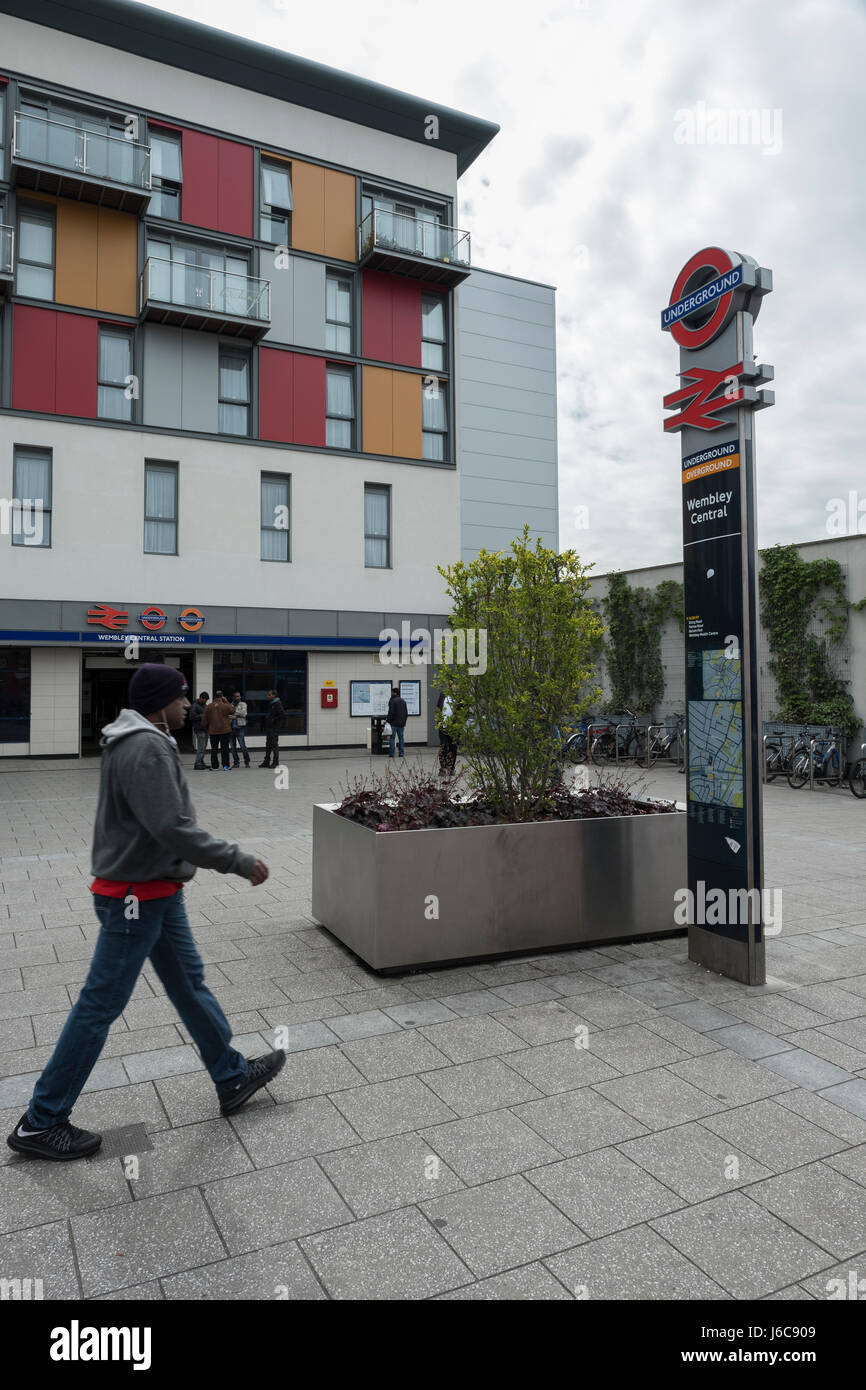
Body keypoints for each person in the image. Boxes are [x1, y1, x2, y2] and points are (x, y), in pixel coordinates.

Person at [6, 663, 284, 1162]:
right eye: (179, 698)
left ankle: (231, 1075)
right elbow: (170, 828)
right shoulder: (147, 745)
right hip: (135, 896)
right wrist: (237, 860)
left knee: (188, 985)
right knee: (99, 1005)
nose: (186, 706)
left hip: (155, 889)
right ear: (158, 703)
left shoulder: (134, 739)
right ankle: (41, 1120)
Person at [203, 690, 233, 771]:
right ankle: (226, 766)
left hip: (213, 731)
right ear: (222, 696)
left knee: (214, 749)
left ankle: (214, 766)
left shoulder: (209, 706)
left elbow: (204, 718)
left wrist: (206, 728)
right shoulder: (225, 705)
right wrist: (227, 701)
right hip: (225, 730)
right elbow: (233, 711)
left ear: (214, 697)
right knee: (225, 749)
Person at [260, 689, 285, 768]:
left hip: (274, 728)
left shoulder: (277, 704)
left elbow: (282, 715)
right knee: (268, 745)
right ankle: (266, 761)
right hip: (270, 728)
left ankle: (275, 762)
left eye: (269, 695)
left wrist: (273, 721)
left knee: (274, 745)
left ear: (274, 695)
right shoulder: (271, 704)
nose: (268, 696)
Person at [437, 690, 458, 775]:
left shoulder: (459, 696)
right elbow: (438, 708)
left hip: (454, 727)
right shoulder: (443, 694)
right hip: (443, 726)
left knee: (453, 748)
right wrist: (438, 721)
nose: (453, 686)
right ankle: (443, 767)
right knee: (443, 747)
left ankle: (451, 767)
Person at [230, 691, 250, 768]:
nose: (237, 698)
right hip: (231, 728)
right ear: (233, 697)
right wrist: (237, 714)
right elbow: (228, 715)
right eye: (236, 696)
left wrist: (233, 713)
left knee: (242, 746)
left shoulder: (243, 704)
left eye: (239, 696)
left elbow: (244, 714)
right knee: (232, 747)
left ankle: (247, 761)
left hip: (240, 728)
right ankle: (236, 762)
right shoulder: (230, 705)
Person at [387, 686, 408, 758]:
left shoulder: (392, 701)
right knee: (401, 738)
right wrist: (404, 722)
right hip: (402, 723)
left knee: (392, 738)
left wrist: (388, 721)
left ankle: (391, 753)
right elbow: (406, 713)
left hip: (394, 723)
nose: (391, 693)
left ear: (395, 693)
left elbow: (391, 712)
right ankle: (401, 753)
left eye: (392, 692)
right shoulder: (403, 701)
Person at [190, 691, 209, 770]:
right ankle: (197, 763)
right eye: (205, 700)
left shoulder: (205, 705)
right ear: (201, 698)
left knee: (204, 746)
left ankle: (201, 762)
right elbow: (192, 717)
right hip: (199, 729)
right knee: (201, 747)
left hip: (205, 729)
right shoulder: (195, 706)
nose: (206, 701)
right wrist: (203, 715)